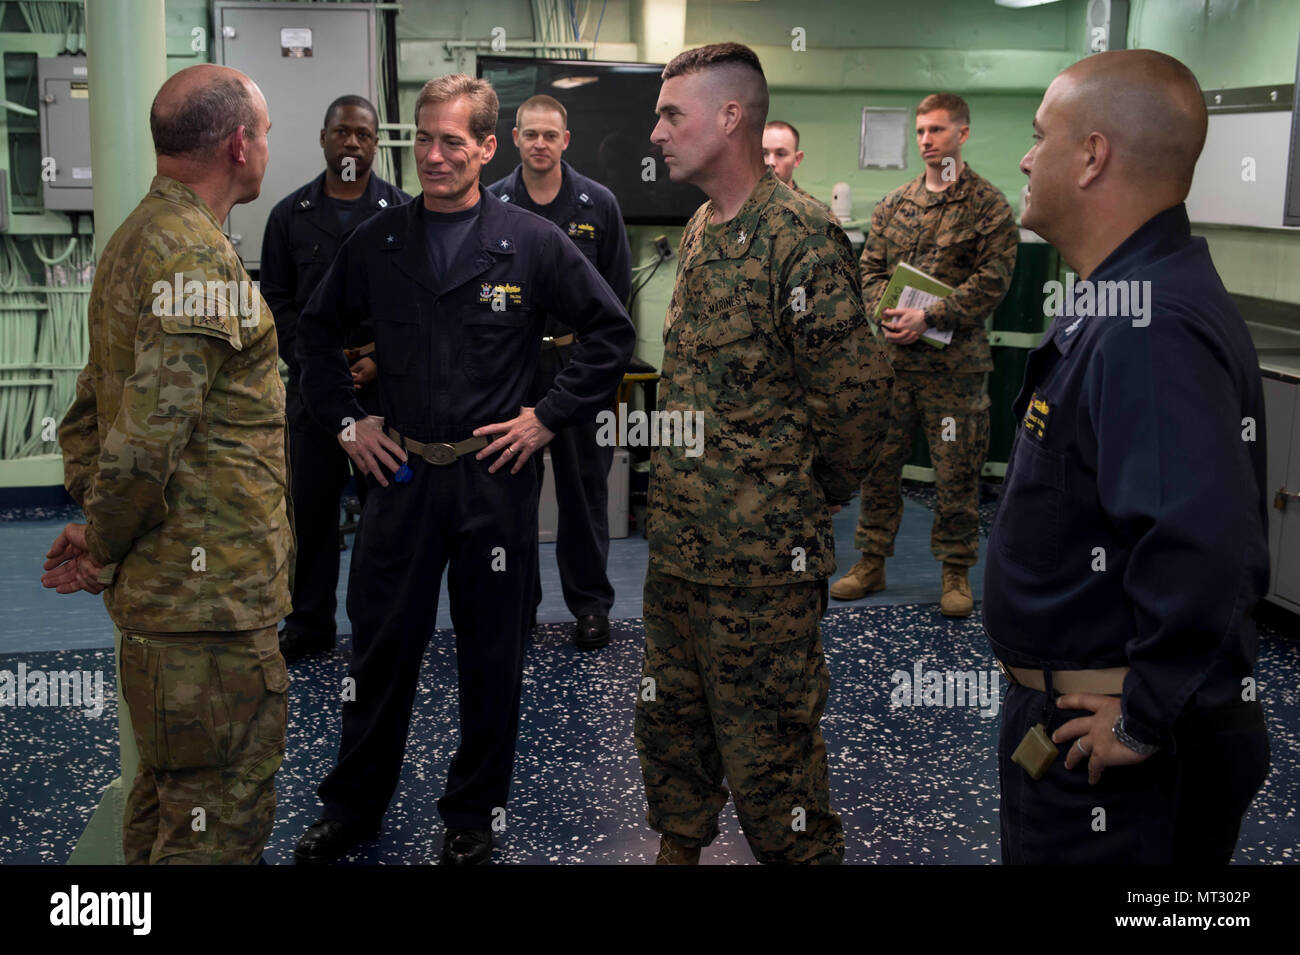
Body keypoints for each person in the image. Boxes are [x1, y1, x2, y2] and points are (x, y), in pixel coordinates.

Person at [292, 74, 634, 866]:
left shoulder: (532, 242)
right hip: (399, 482)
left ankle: (473, 814)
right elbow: (313, 336)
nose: (436, 156)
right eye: (425, 139)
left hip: (493, 484)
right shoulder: (377, 243)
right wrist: (348, 423)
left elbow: (608, 335)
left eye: (454, 141)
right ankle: (353, 806)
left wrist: (547, 416)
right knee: (378, 653)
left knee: (491, 656)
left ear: (487, 147)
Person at [985, 49, 1270, 864]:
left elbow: (1208, 547)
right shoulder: (1122, 296)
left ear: (1093, 155)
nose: (1026, 156)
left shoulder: (1150, 325)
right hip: (1072, 722)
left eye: (1041, 136)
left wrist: (1146, 715)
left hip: (1116, 752)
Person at [636, 43, 893, 864]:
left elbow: (857, 405)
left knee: (774, 760)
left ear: (730, 117)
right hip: (680, 548)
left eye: (672, 114)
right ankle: (680, 844)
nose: (657, 132)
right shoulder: (706, 227)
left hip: (760, 565)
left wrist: (787, 499)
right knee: (674, 726)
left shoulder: (801, 237)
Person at [43, 64, 291, 864]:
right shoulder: (199, 262)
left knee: (166, 795)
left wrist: (100, 530)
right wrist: (106, 543)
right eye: (267, 132)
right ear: (238, 143)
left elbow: (87, 413)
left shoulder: (135, 239)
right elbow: (147, 440)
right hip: (209, 603)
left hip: (169, 591)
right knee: (218, 812)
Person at [830, 92, 1018, 617]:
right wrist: (885, 312)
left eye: (937, 130)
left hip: (954, 370)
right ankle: (870, 563)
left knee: (956, 472)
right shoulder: (894, 204)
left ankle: (955, 572)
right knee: (880, 468)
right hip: (891, 363)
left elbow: (994, 281)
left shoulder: (989, 205)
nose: (927, 141)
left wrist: (929, 316)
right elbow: (867, 271)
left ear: (962, 133)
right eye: (920, 132)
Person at [261, 94, 408, 664]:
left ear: (376, 143)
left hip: (382, 391)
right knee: (312, 512)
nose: (352, 143)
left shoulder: (402, 213)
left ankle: (380, 621)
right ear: (324, 138)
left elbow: (414, 306)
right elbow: (273, 302)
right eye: (342, 133)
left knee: (385, 513)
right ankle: (309, 622)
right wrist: (322, 361)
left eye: (364, 135)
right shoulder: (288, 216)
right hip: (313, 395)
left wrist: (380, 359)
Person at [487, 94, 632, 650]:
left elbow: (614, 301)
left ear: (565, 140)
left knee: (583, 493)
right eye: (531, 134)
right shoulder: (493, 201)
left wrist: (597, 371)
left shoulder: (599, 204)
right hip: (513, 369)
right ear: (515, 138)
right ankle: (518, 604)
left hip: (579, 368)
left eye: (551, 135)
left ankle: (591, 607)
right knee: (511, 492)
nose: (541, 144)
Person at [762, 120, 829, 212]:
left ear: (797, 159)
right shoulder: (739, 206)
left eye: (781, 154)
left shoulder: (816, 214)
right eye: (763, 153)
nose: (770, 162)